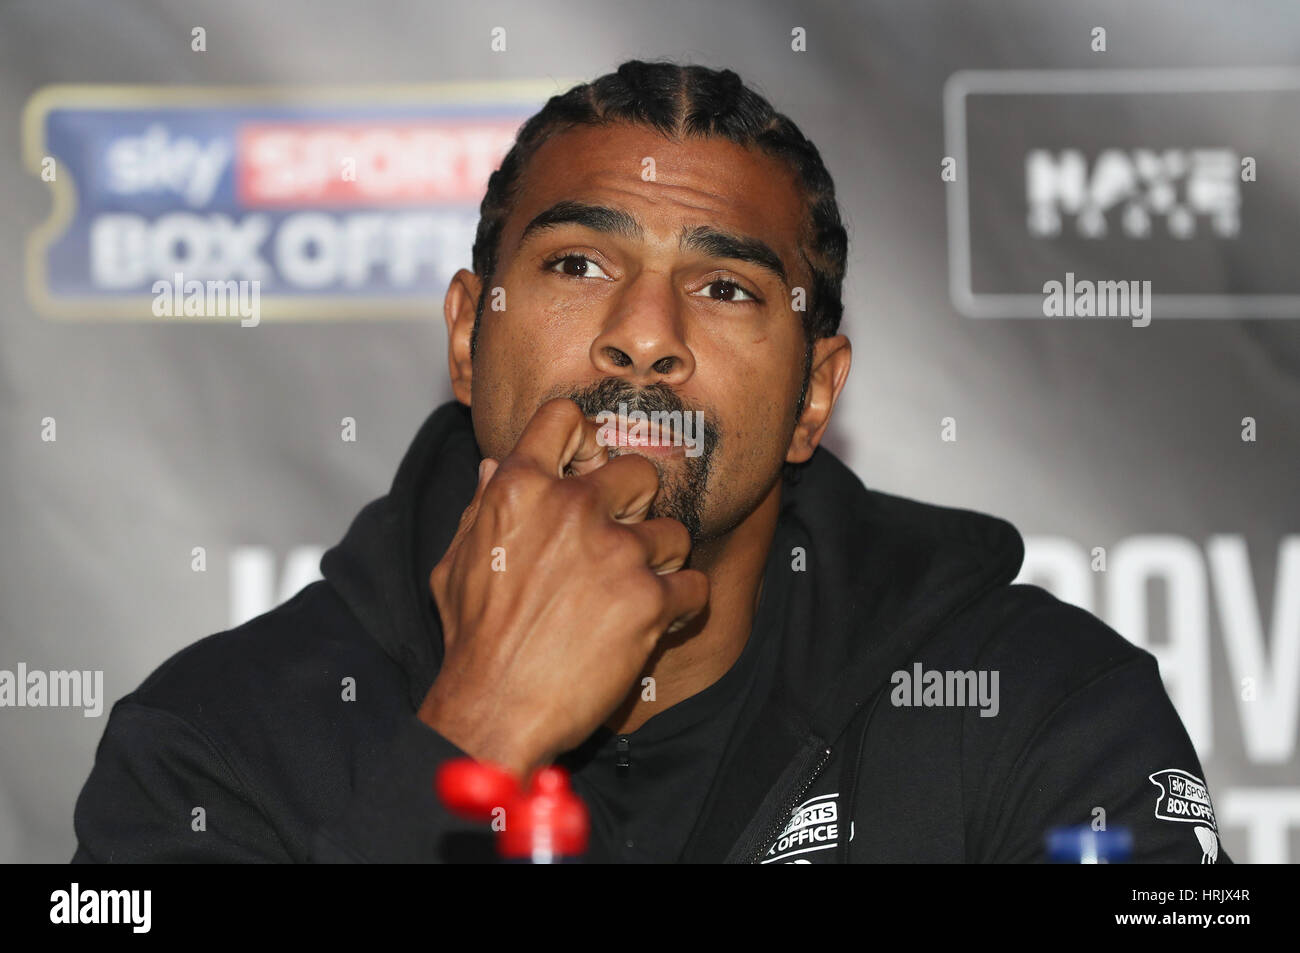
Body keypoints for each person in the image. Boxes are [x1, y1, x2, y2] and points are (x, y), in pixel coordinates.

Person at [71, 59, 1228, 864]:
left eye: (724, 288)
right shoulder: (213, 739)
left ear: (812, 398)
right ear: (469, 336)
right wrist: (471, 736)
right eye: (579, 265)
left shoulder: (1041, 705)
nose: (646, 332)